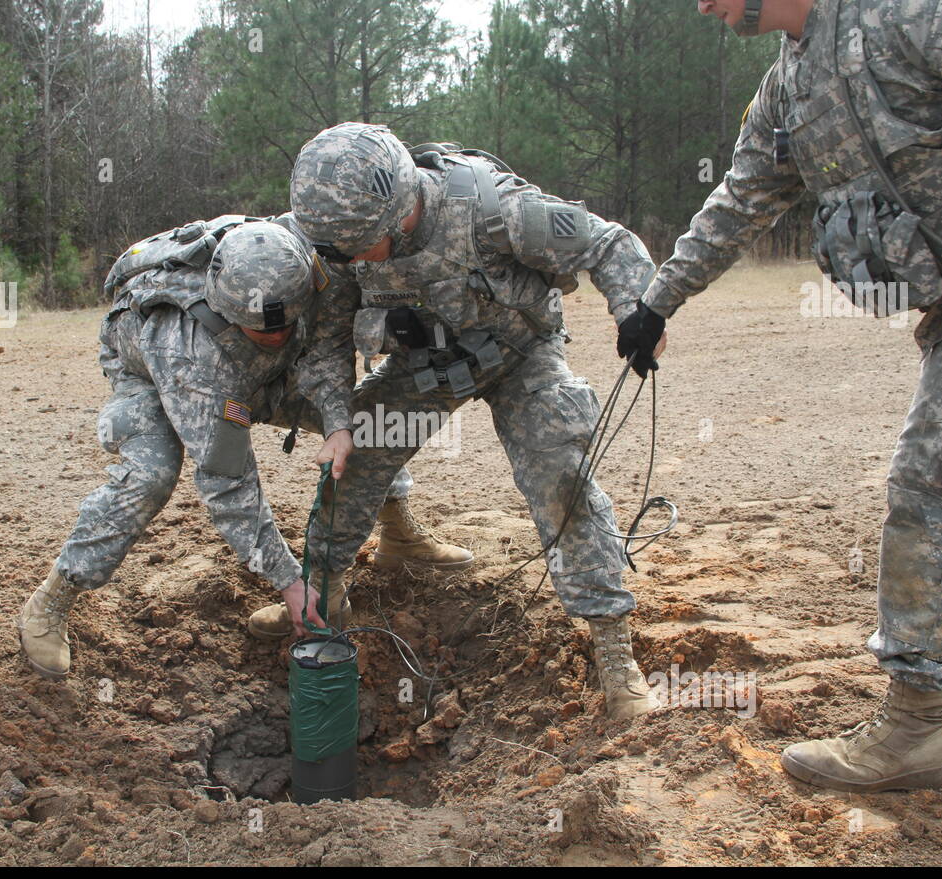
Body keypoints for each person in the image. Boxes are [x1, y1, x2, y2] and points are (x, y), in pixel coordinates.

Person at [616, 0, 942, 790]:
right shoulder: (790, 81)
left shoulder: (918, 12)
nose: (701, 5)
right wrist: (657, 302)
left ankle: (913, 732)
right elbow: (742, 196)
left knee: (939, 482)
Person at [273, 122, 661, 721]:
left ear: (400, 213)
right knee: (359, 450)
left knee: (563, 474)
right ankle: (321, 597)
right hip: (424, 368)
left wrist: (636, 309)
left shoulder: (494, 210)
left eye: (356, 247)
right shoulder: (338, 239)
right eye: (336, 251)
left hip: (519, 354)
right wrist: (336, 422)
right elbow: (327, 343)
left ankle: (613, 649)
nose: (345, 261)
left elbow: (607, 243)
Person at [17, 216, 471, 679]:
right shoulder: (189, 354)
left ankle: (396, 531)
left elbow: (321, 350)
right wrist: (290, 583)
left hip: (261, 369)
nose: (275, 334)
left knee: (369, 423)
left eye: (283, 325)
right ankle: (53, 598)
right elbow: (228, 481)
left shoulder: (308, 264)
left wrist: (337, 422)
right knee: (151, 474)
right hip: (159, 376)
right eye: (261, 330)